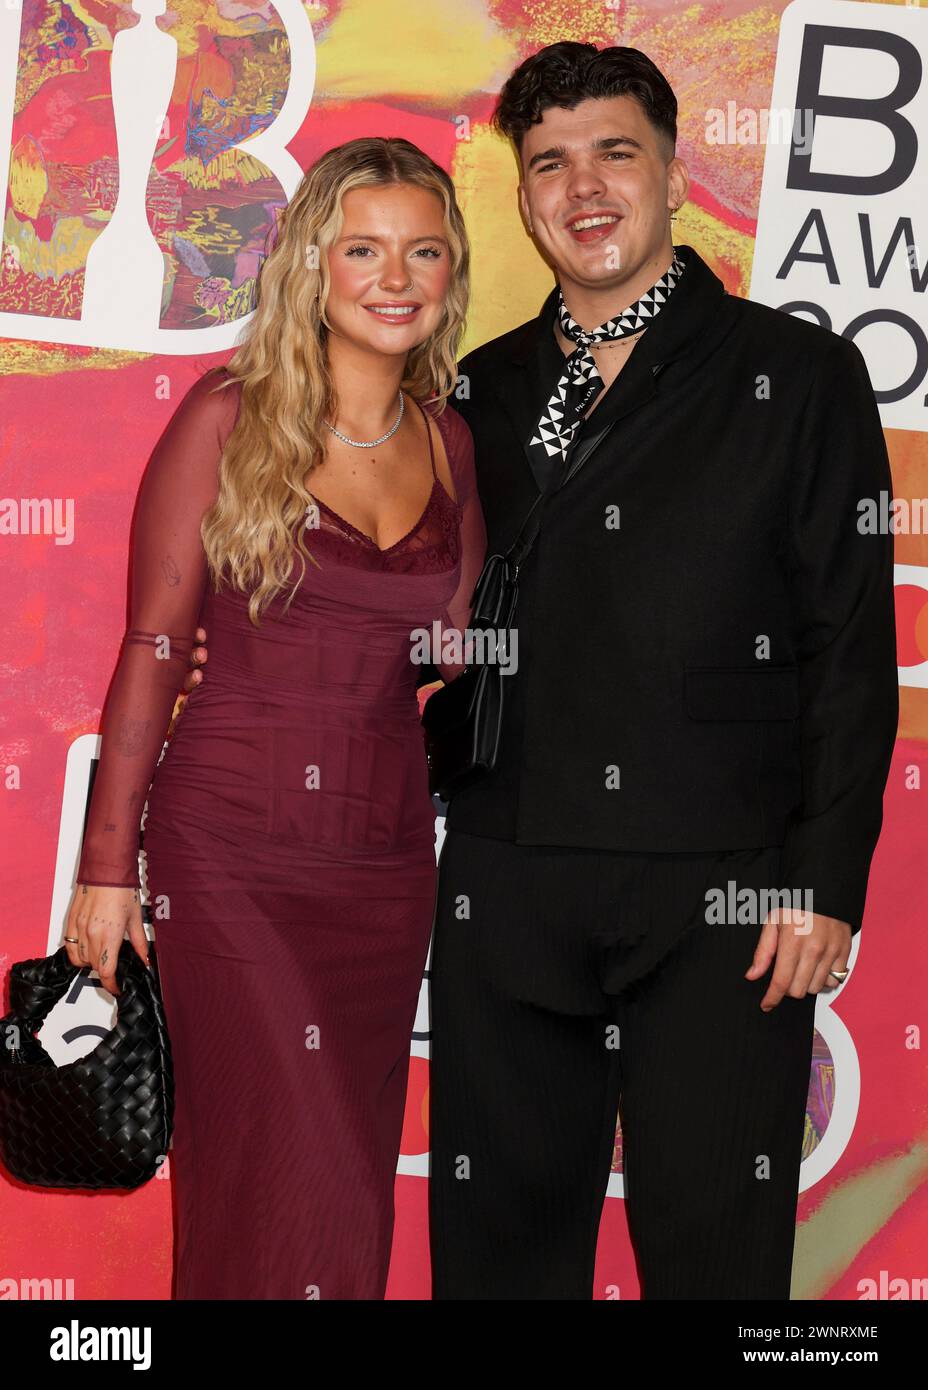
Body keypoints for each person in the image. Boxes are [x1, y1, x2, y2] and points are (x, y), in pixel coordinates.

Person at [187, 45, 899, 1300]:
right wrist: (255, 648)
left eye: (615, 152)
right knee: (499, 1260)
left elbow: (849, 647)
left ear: (675, 172)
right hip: (506, 881)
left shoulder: (794, 376)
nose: (584, 187)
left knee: (717, 1258)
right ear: (521, 198)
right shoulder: (472, 392)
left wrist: (822, 883)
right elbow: (417, 607)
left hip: (722, 892)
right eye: (550, 163)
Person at [65, 137, 487, 1300]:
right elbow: (154, 644)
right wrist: (108, 870)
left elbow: (453, 653)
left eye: (424, 252)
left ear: (452, 275)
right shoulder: (224, 415)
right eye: (363, 249)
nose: (395, 277)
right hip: (231, 854)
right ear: (312, 265)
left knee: (345, 1169)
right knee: (264, 1161)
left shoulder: (449, 442)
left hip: (384, 863)